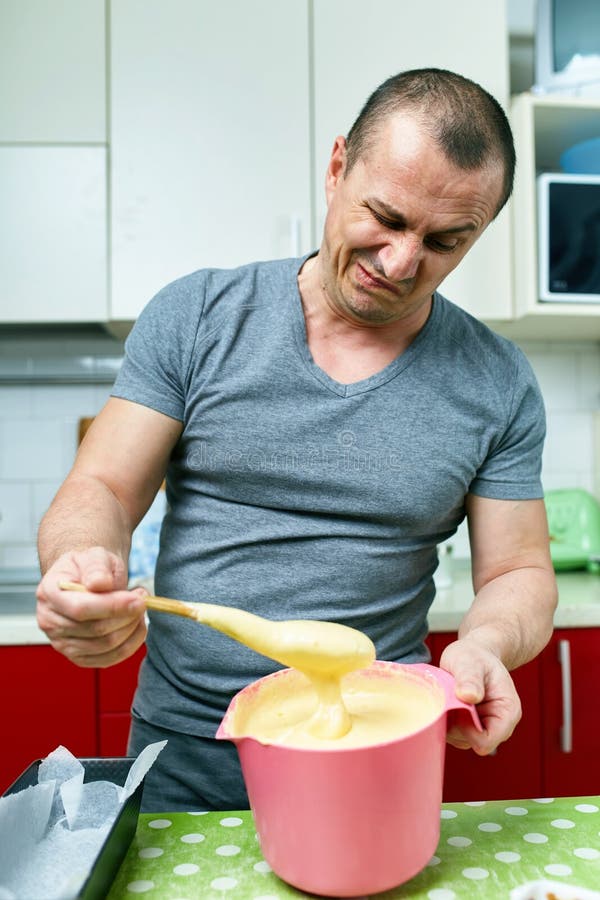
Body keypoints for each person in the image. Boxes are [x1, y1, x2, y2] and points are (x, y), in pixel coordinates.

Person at [36, 68, 557, 812]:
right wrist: (81, 562)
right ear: (337, 166)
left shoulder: (497, 380)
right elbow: (105, 489)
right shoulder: (200, 316)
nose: (401, 263)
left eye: (445, 241)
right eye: (386, 217)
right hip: (186, 750)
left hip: (376, 750)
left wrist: (485, 645)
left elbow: (518, 572)